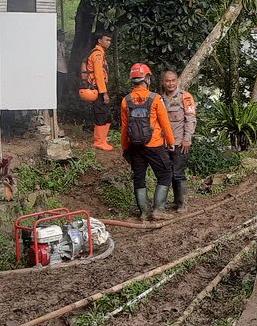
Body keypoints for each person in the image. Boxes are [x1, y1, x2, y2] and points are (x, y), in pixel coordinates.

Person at [120, 63, 176, 220]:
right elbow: (165, 123)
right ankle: (158, 209)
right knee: (165, 173)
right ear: (147, 79)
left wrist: (125, 147)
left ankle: (144, 212)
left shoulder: (126, 100)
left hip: (134, 146)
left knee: (139, 177)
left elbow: (124, 127)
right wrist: (171, 142)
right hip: (154, 145)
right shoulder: (155, 98)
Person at [160, 69, 197, 213]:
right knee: (168, 173)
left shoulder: (185, 97)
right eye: (167, 81)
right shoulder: (160, 99)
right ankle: (175, 201)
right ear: (163, 82)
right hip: (164, 143)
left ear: (177, 81)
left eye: (173, 80)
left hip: (180, 143)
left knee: (178, 173)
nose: (170, 83)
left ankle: (182, 204)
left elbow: (191, 118)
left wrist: (187, 139)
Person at [80, 32, 114, 151]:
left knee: (106, 114)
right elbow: (99, 75)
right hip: (98, 89)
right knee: (101, 114)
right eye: (106, 40)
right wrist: (104, 93)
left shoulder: (100, 53)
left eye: (110, 40)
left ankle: (103, 139)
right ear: (99, 41)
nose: (109, 42)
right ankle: (99, 142)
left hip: (99, 88)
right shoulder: (97, 54)